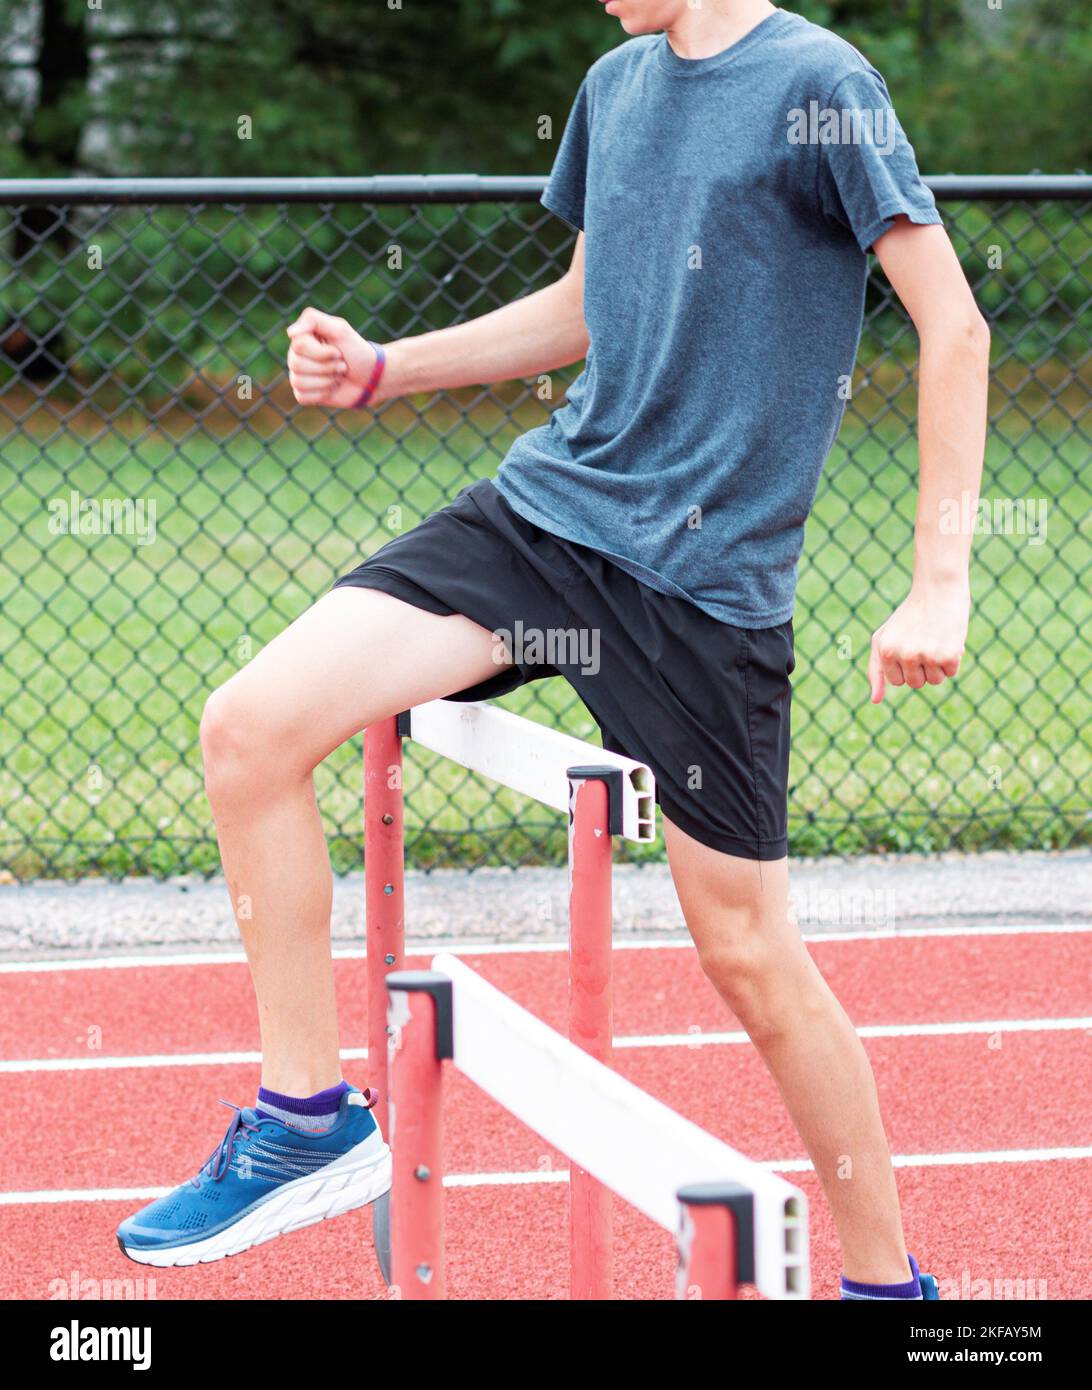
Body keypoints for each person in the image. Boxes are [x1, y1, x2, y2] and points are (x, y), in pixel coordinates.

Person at [118, 1, 987, 1299]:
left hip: (699, 586)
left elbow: (955, 325)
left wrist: (940, 584)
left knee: (748, 950)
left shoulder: (824, 85)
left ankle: (883, 1283)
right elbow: (586, 305)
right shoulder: (617, 84)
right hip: (546, 519)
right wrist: (384, 369)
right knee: (248, 726)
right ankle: (307, 1120)